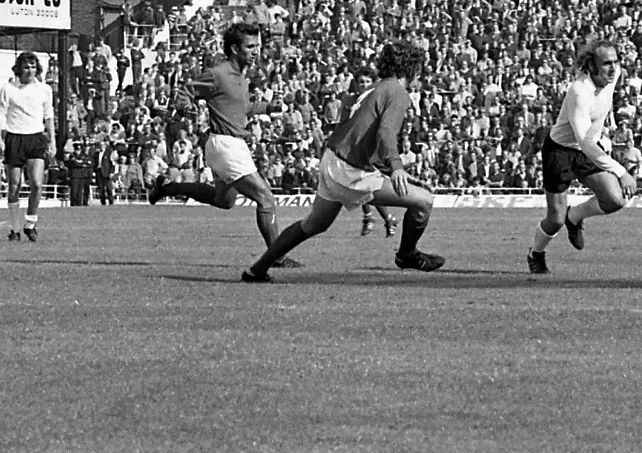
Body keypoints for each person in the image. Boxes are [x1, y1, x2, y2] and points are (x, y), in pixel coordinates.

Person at [242, 39, 445, 281]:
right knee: (424, 201)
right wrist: (397, 168)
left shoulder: (374, 89)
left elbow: (361, 134)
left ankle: (256, 270)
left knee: (313, 224)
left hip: (332, 159)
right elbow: (385, 133)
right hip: (349, 170)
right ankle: (406, 254)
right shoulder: (397, 92)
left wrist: (392, 171)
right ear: (412, 68)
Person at [149, 22, 301, 265]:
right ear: (234, 49)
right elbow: (187, 90)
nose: (256, 51)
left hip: (224, 145)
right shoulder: (218, 74)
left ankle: (167, 188)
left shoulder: (241, 78)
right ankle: (278, 257)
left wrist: (268, 108)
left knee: (224, 200)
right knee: (266, 199)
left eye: (257, 46)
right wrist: (186, 107)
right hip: (226, 144)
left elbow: (243, 108)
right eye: (250, 46)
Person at [527, 39, 635, 274]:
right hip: (561, 151)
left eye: (615, 62)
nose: (613, 68)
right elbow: (585, 142)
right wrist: (621, 171)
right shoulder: (579, 91)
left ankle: (574, 217)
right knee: (554, 219)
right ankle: (536, 253)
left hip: (589, 147)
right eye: (606, 63)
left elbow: (604, 105)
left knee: (615, 200)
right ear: (592, 66)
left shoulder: (614, 75)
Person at [0, 51, 57, 241]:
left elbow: (49, 116)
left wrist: (52, 141)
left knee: (37, 183)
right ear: (19, 69)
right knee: (14, 186)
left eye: (33, 67)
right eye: (26, 67)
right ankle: (14, 229)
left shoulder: (44, 89)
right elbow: (0, 114)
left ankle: (30, 223)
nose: (30, 70)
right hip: (15, 138)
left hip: (35, 138)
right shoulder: (8, 89)